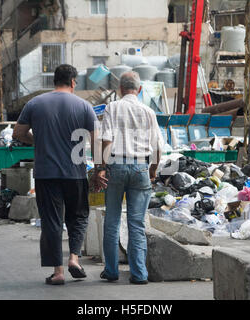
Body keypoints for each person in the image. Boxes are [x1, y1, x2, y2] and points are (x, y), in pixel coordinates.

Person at [13, 64, 97, 285]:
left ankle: (58, 272)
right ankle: (74, 258)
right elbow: (96, 141)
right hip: (76, 172)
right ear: (73, 82)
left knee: (52, 221)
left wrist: (37, 140)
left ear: (54, 81)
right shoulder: (84, 106)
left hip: (46, 174)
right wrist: (101, 168)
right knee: (78, 216)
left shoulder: (35, 104)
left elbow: (18, 133)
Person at [93, 71, 164, 285]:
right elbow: (158, 147)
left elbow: (106, 140)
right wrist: (152, 171)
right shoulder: (149, 111)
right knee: (136, 223)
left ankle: (112, 271)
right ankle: (139, 274)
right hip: (141, 168)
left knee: (112, 221)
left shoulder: (112, 107)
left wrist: (101, 169)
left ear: (120, 90)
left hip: (116, 166)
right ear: (139, 89)